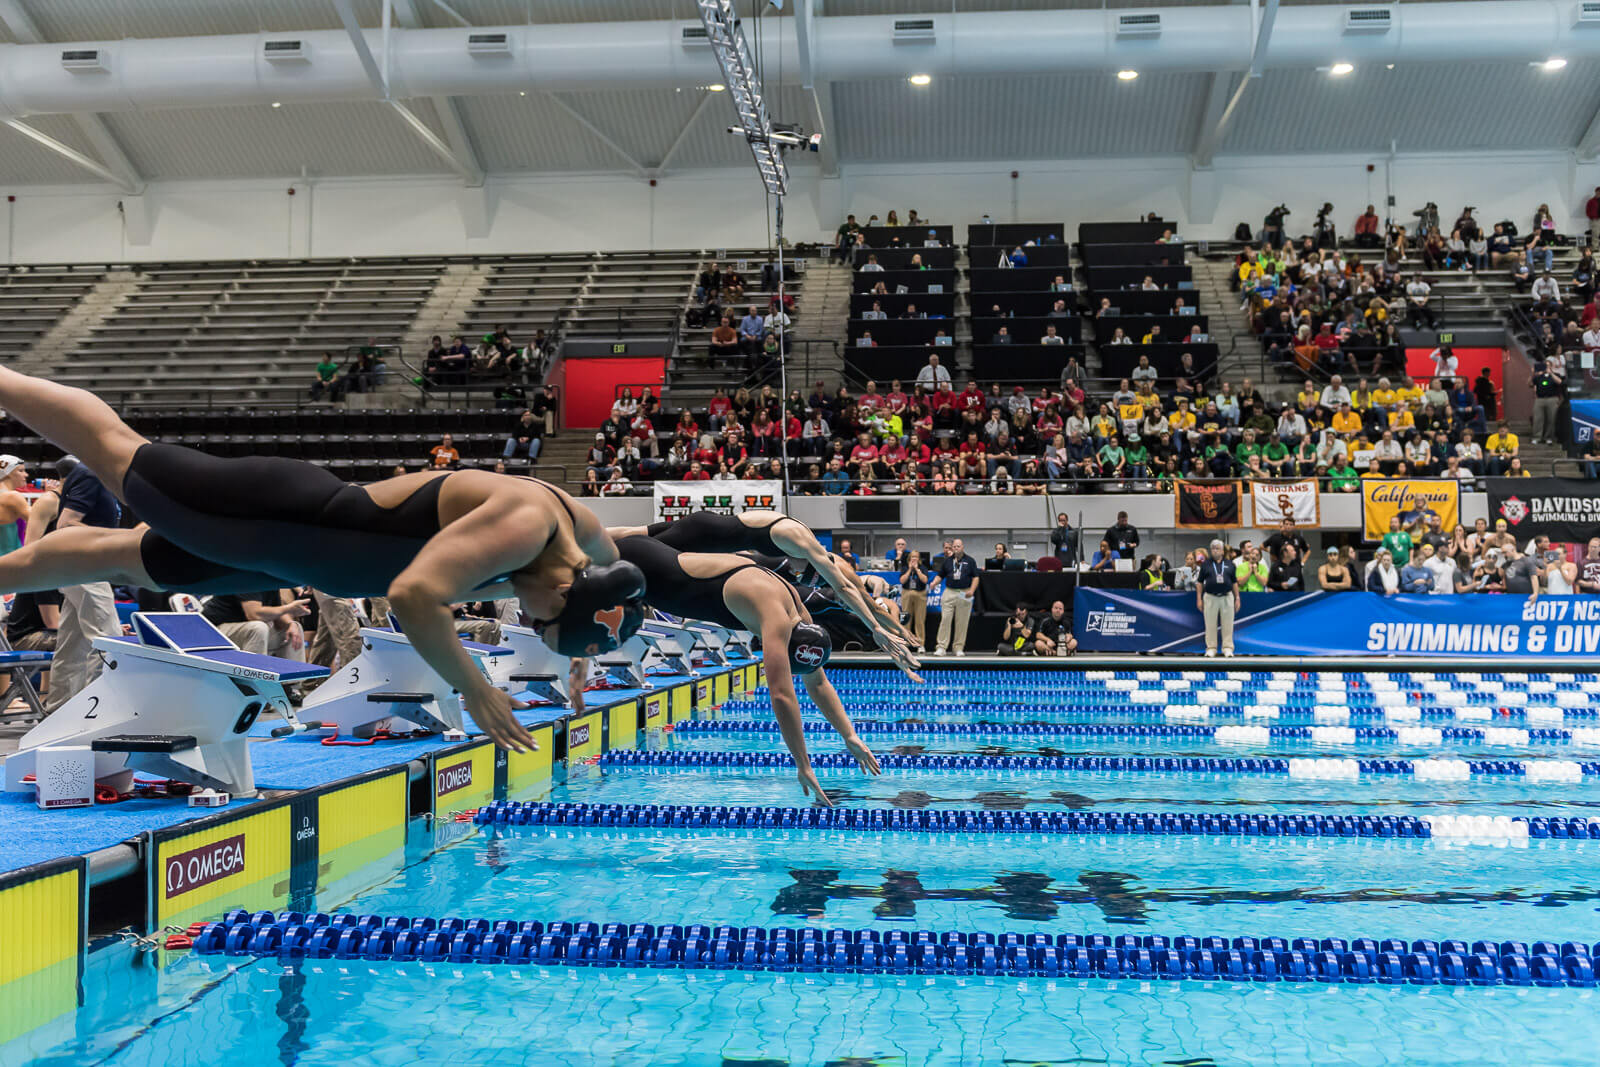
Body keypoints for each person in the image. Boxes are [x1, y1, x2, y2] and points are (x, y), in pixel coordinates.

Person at [0, 366, 646, 750]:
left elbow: (621, 564)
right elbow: (414, 595)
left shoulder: (583, 537)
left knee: (117, 558)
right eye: (542, 624)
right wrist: (474, 689)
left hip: (277, 556)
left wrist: (585, 656)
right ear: (562, 591)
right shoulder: (526, 524)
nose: (528, 621)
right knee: (114, 447)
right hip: (268, 514)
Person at [614, 536, 879, 805]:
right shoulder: (776, 618)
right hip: (646, 569)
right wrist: (804, 765)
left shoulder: (801, 615)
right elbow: (781, 694)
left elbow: (818, 683)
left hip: (651, 566)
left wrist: (850, 735)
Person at [609, 511, 918, 675]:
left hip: (711, 537)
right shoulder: (808, 545)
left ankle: (584, 534)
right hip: (704, 533)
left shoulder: (826, 565)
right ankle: (580, 536)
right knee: (629, 542)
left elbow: (862, 600)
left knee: (637, 535)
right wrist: (877, 629)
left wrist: (898, 637)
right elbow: (846, 589)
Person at [43, 457, 123, 713]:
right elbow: (66, 524)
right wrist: (119, 539)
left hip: (80, 567)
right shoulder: (90, 473)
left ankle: (58, 713)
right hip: (84, 565)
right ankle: (100, 713)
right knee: (109, 641)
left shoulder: (98, 477)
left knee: (73, 646)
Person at [932, 538, 979, 656]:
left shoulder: (970, 561)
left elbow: (976, 577)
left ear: (963, 547)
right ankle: (941, 647)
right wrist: (934, 583)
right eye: (954, 546)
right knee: (945, 620)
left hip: (964, 592)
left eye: (958, 546)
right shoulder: (947, 561)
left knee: (962, 622)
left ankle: (958, 647)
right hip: (949, 592)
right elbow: (940, 575)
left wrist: (972, 590)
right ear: (952, 548)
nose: (956, 548)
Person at [1198, 539, 1238, 658]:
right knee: (1210, 624)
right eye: (1213, 548)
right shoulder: (1206, 564)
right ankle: (1211, 648)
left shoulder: (1230, 564)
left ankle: (1227, 648)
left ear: (1222, 551)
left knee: (1228, 624)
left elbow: (1234, 582)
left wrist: (1238, 598)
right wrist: (1199, 599)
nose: (1215, 551)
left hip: (1227, 596)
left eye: (1217, 548)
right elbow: (1199, 582)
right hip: (1210, 597)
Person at [899, 550, 929, 650]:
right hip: (907, 593)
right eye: (912, 557)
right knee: (906, 619)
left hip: (920, 594)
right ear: (909, 559)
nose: (914, 559)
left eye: (916, 557)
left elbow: (925, 580)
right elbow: (902, 580)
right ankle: (906, 642)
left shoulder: (923, 568)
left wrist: (917, 570)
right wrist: (909, 570)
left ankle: (920, 643)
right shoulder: (904, 568)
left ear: (919, 559)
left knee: (920, 620)